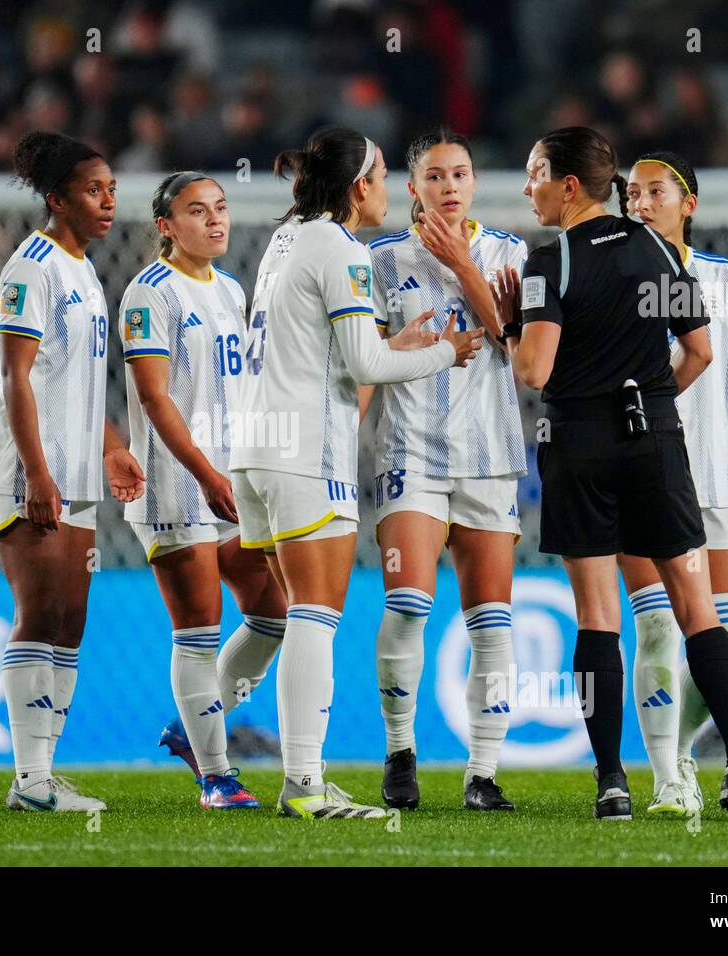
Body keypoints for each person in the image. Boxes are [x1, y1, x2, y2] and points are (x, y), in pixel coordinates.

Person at [491, 126, 728, 821]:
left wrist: (511, 327)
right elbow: (699, 352)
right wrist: (652, 400)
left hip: (578, 443)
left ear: (570, 186)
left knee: (600, 617)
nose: (527, 186)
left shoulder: (552, 260)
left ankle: (611, 782)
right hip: (655, 441)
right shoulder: (657, 248)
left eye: (536, 172)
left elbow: (534, 371)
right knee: (698, 609)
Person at [230, 126, 483, 819]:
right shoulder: (342, 250)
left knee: (286, 614)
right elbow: (367, 370)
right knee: (315, 615)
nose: (388, 190)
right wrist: (443, 353)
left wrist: (387, 341)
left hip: (255, 446)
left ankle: (204, 738)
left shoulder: (287, 238)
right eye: (379, 174)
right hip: (305, 450)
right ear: (360, 186)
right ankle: (304, 785)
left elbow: (323, 348)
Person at [0, 131, 146, 813]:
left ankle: (40, 774)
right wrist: (37, 474)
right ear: (56, 199)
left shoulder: (84, 270)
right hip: (26, 465)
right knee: (39, 611)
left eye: (111, 191)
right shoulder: (32, 267)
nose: (107, 203)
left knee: (71, 618)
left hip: (75, 467)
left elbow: (71, 381)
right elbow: (15, 377)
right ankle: (29, 778)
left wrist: (107, 445)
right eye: (93, 191)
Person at [618, 151, 728, 813]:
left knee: (722, 638)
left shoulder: (723, 278)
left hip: (713, 481)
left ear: (688, 202)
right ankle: (670, 777)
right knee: (660, 630)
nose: (640, 202)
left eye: (655, 191)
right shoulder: (614, 274)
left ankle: (708, 764)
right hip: (639, 473)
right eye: (631, 193)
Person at [364, 128, 528, 812]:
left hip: (489, 454)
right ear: (414, 188)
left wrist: (464, 266)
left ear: (475, 181)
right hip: (409, 453)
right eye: (436, 177)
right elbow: (364, 358)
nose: (450, 186)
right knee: (408, 604)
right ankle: (400, 755)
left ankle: (481, 774)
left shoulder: (508, 253)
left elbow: (513, 342)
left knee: (491, 620)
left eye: (460, 173)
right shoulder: (381, 261)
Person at [120, 172, 288, 809]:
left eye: (220, 208)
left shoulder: (230, 289)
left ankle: (193, 729)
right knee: (197, 628)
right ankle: (217, 776)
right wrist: (205, 473)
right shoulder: (149, 294)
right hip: (174, 482)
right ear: (166, 226)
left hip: (230, 478)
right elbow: (154, 397)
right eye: (197, 212)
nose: (215, 221)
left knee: (273, 613)